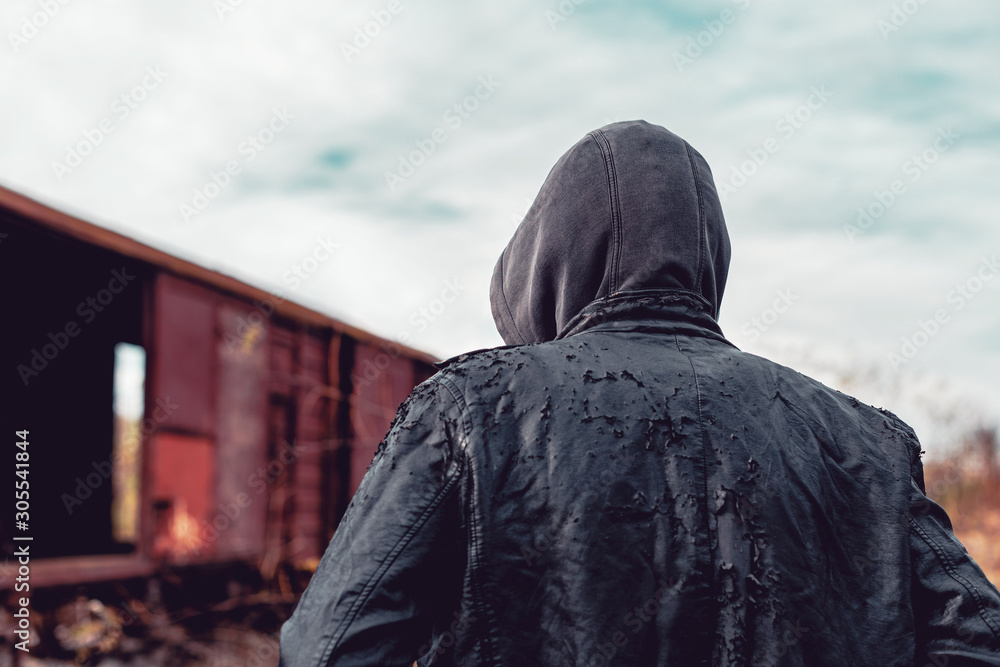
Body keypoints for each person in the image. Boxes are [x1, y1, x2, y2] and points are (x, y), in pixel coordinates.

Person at [278, 120, 1000, 666]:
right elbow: (978, 638)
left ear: (546, 263)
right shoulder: (864, 440)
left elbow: (328, 646)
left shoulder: (471, 407)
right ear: (711, 254)